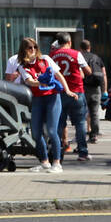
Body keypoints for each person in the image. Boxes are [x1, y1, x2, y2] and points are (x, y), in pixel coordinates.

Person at [15, 36, 72, 172]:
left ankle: (57, 163)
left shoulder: (45, 59)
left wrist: (68, 90)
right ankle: (45, 162)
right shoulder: (22, 66)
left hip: (52, 97)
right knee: (35, 132)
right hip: (38, 99)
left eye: (35, 47)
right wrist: (41, 82)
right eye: (29, 47)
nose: (33, 50)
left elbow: (59, 75)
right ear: (24, 50)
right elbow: (29, 81)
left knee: (52, 131)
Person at [51, 33, 91, 161]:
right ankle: (82, 153)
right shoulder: (76, 54)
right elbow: (88, 71)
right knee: (80, 123)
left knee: (59, 124)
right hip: (76, 92)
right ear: (69, 42)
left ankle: (58, 153)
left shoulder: (52, 55)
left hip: (59, 93)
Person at [79, 38, 107, 142]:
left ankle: (82, 135)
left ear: (80, 48)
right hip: (96, 88)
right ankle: (94, 135)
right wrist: (104, 90)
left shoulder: (80, 57)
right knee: (95, 113)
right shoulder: (97, 58)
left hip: (84, 88)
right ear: (89, 48)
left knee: (82, 112)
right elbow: (104, 74)